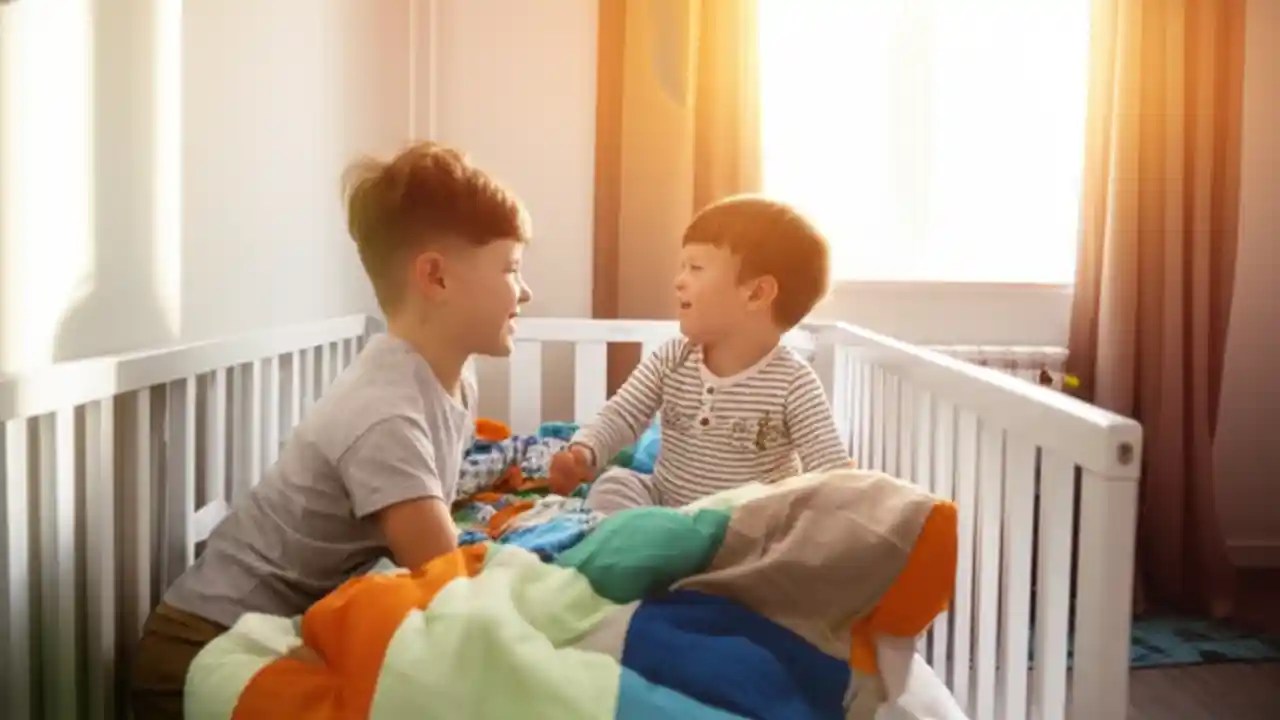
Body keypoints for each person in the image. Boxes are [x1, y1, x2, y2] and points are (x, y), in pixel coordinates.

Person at [130, 142, 532, 718]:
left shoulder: (454, 380)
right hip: (202, 651)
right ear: (436, 277)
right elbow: (447, 586)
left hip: (279, 633)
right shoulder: (384, 412)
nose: (525, 291)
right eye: (511, 268)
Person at [549, 195, 851, 512]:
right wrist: (584, 452)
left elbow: (827, 468)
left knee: (785, 516)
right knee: (615, 483)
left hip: (742, 525)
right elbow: (623, 415)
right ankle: (647, 543)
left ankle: (664, 552)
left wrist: (846, 489)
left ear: (756, 293)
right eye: (682, 267)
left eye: (695, 268)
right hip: (666, 506)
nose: (679, 281)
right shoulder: (672, 359)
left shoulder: (793, 383)